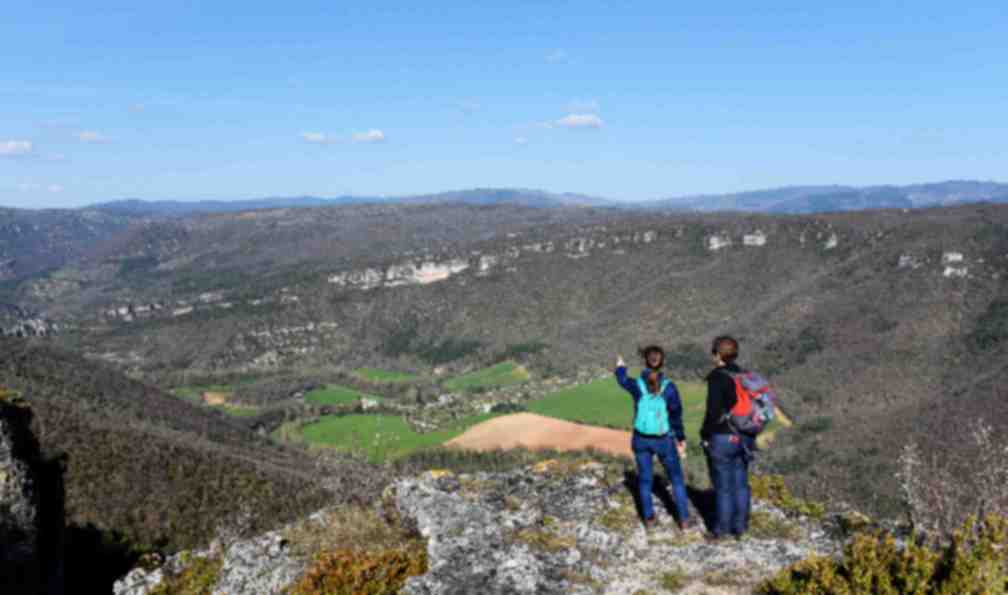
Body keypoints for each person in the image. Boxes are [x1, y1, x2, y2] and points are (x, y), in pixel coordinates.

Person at [614, 345, 693, 530]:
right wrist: (680, 437)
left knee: (645, 479)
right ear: (662, 362)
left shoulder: (637, 386)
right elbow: (675, 414)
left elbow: (622, 380)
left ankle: (649, 519)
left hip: (641, 438)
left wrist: (620, 366)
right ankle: (684, 520)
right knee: (676, 479)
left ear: (646, 361)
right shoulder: (669, 388)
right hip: (663, 439)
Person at [700, 335, 755, 541]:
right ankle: (740, 527)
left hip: (723, 437)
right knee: (741, 483)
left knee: (723, 487)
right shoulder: (743, 375)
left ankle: (721, 530)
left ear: (717, 354)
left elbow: (713, 412)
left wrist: (705, 435)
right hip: (744, 436)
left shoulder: (717, 377)